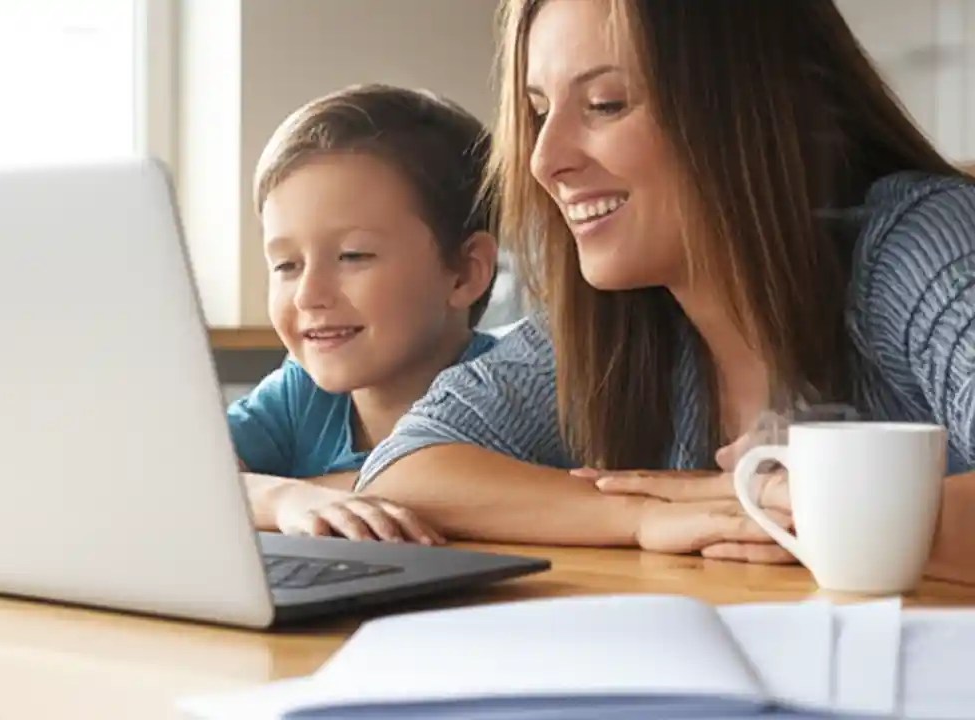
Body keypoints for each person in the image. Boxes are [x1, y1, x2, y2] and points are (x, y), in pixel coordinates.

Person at [355, 0, 975, 582]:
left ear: (753, 103)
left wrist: (812, 503)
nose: (545, 160)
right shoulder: (620, 318)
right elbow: (407, 467)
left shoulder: (924, 245)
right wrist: (645, 517)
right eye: (540, 112)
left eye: (605, 103)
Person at [229, 84, 500, 544]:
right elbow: (177, 478)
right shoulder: (301, 395)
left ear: (463, 273)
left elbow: (478, 497)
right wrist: (284, 500)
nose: (309, 295)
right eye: (287, 265)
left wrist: (324, 491)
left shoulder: (509, 394)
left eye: (353, 256)